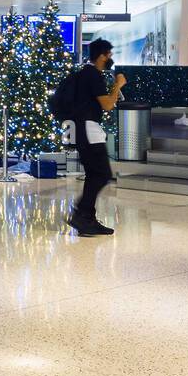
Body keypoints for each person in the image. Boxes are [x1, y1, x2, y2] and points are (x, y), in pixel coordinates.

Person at [63, 38, 126, 236]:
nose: (110, 58)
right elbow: (107, 104)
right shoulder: (92, 75)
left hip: (85, 129)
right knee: (101, 174)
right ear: (101, 56)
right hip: (89, 130)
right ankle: (82, 215)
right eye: (109, 55)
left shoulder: (86, 74)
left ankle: (87, 217)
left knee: (95, 174)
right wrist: (118, 85)